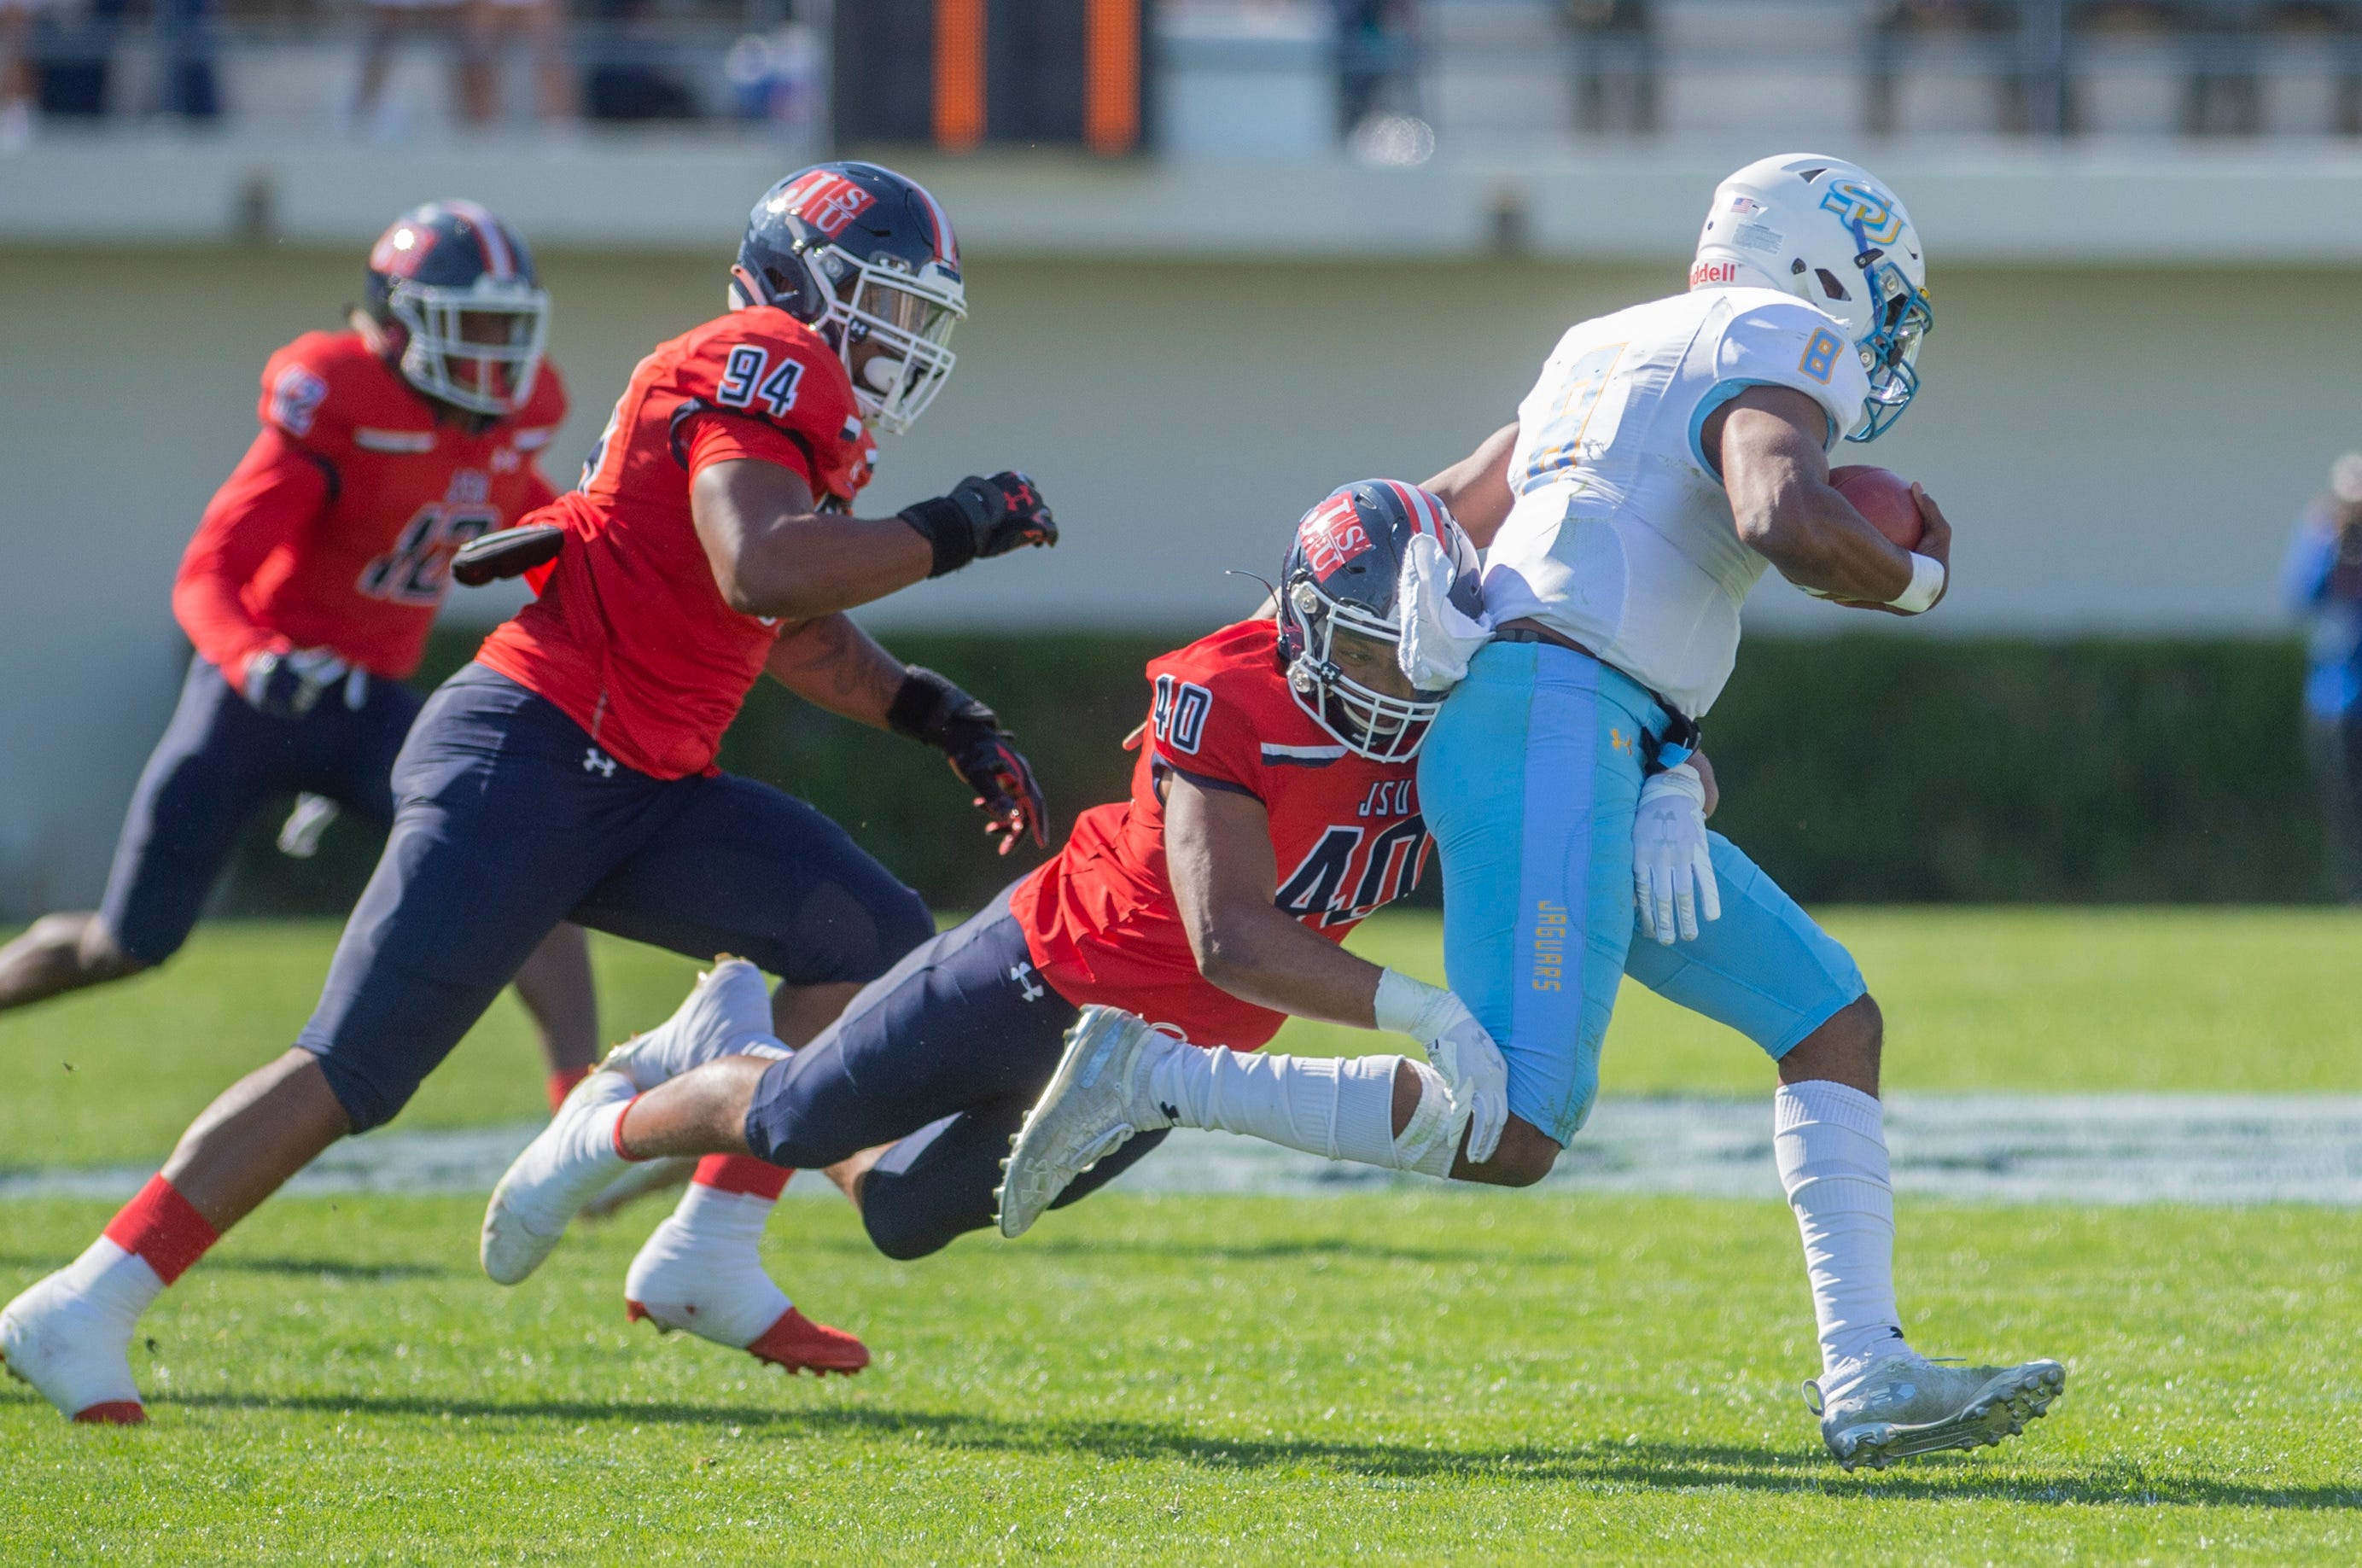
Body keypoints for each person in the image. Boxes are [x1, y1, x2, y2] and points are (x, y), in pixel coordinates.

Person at [1007, 154, 2065, 1472]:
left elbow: (1449, 519)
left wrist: (1667, 765)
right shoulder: (1777, 336)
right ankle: (1154, 1074)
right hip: (1558, 723)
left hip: (1585, 729)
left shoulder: (1597, 347)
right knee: (1511, 1127)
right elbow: (1774, 511)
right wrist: (1909, 580)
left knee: (1825, 1015)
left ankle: (1863, 1372)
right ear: (1819, 266)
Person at [0, 160, 1057, 1425]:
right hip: (529, 755)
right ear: (800, 282)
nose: (895, 336)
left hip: (645, 779)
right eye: (878, 300)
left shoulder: (795, 398)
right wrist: (954, 526)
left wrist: (930, 709)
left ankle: (707, 1249)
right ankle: (82, 1302)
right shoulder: (765, 355)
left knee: (867, 936)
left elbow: (781, 622)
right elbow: (761, 569)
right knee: (353, 1066)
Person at [469, 481, 1509, 1352]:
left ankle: (729, 1047)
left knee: (904, 1217)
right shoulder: (1229, 689)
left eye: (1410, 654)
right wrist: (1424, 1009)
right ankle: (601, 1129)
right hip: (1051, 964)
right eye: (1369, 654)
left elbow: (1507, 491)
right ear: (1306, 621)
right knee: (792, 1120)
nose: (1396, 683)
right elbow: (1228, 936)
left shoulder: (1463, 696)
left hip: (1176, 1060)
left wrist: (1664, 784)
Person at [0, 200, 603, 1114]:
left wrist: (618, 599)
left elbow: (539, 525)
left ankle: (579, 1109)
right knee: (126, 946)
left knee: (513, 852)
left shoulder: (506, 421)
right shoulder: (339, 400)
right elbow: (208, 572)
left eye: (505, 328)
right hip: (261, 698)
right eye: (470, 324)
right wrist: (254, 658)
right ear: (399, 321)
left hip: (370, 703)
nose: (493, 352)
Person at [2283, 453, 2362, 901]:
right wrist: (2331, 542)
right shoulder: (2321, 534)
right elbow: (2302, 596)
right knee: (2349, 809)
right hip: (2338, 702)